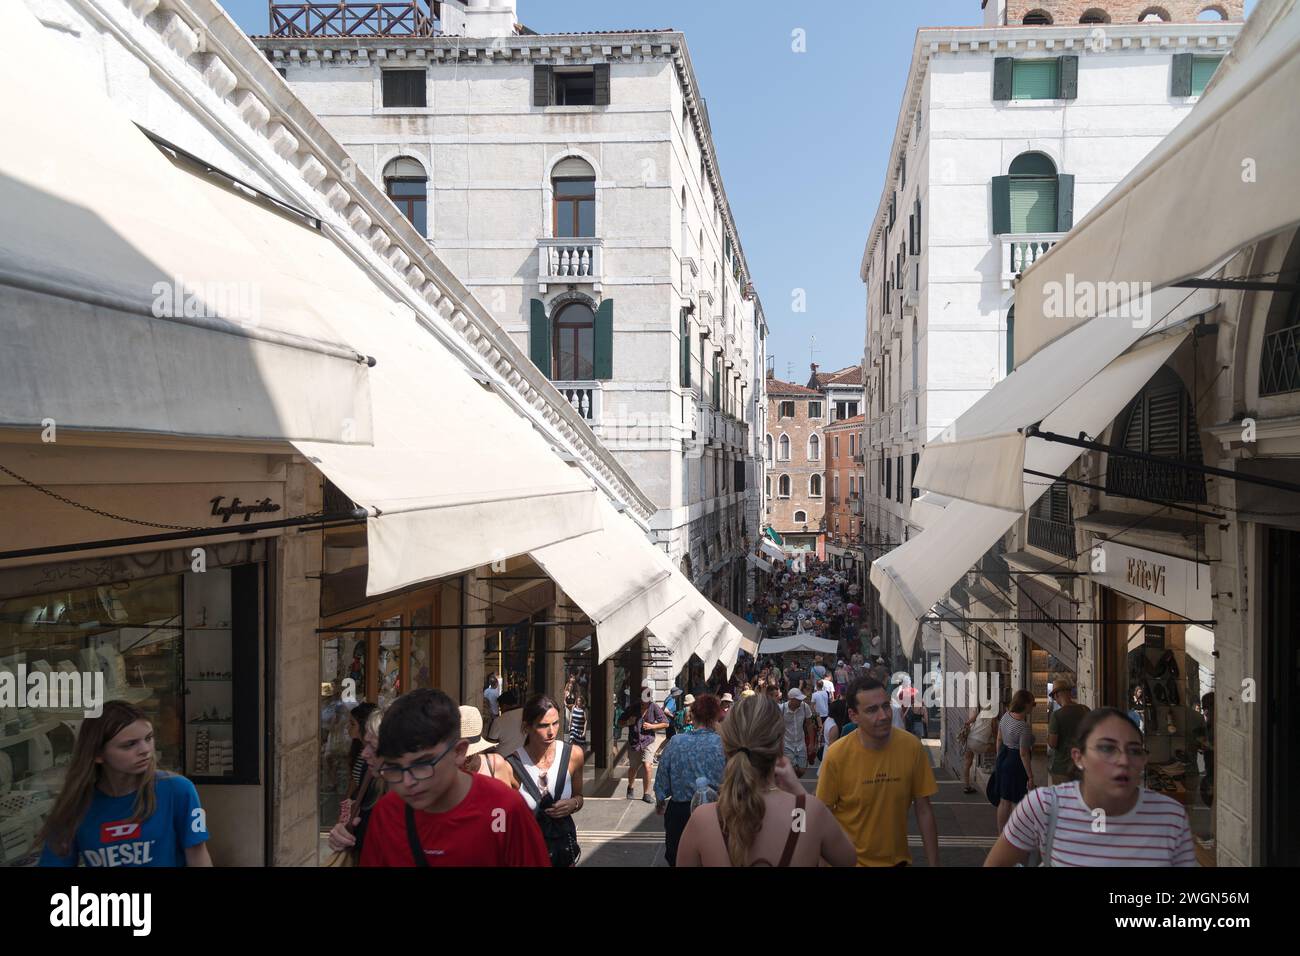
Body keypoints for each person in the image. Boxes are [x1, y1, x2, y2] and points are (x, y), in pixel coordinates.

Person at [984, 708, 1197, 867]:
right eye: (1107, 748)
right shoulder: (1043, 806)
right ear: (1079, 757)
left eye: (1134, 750)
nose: (1123, 760)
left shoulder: (1171, 817)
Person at [359, 688, 549, 866]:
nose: (408, 782)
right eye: (395, 768)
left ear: (459, 752)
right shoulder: (386, 812)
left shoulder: (506, 808)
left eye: (422, 764)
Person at [675, 694, 856, 867]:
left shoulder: (705, 820)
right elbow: (847, 859)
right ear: (780, 744)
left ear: (726, 745)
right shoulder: (803, 814)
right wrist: (799, 793)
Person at [38, 701, 213, 867]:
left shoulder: (178, 790)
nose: (145, 750)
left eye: (148, 738)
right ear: (98, 754)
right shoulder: (74, 806)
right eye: (130, 745)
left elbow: (198, 858)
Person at [816, 676, 939, 867]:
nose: (883, 716)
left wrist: (934, 863)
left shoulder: (911, 747)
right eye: (872, 710)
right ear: (853, 715)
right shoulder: (836, 756)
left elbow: (924, 809)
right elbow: (823, 816)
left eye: (886, 706)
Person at [503, 694, 585, 868]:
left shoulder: (574, 755)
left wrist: (573, 804)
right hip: (527, 853)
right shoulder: (510, 766)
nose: (551, 731)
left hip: (563, 852)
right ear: (527, 727)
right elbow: (503, 820)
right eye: (543, 725)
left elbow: (579, 797)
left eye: (555, 723)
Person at [655, 693, 726, 866]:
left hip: (681, 812)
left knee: (679, 858)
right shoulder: (724, 743)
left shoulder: (677, 741)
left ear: (692, 715)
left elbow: (663, 775)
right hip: (717, 812)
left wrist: (660, 799)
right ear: (716, 716)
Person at [328, 705, 386, 862]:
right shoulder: (373, 777)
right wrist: (344, 833)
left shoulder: (412, 801)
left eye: (373, 747)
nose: (365, 754)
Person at [992, 690, 1036, 833]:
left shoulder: (1005, 717)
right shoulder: (1024, 727)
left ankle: (1001, 834)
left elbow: (999, 739)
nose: (1033, 707)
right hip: (1015, 762)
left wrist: (999, 758)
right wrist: (1030, 776)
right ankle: (1016, 834)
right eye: (1032, 704)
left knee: (1004, 800)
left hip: (1004, 756)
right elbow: (1023, 753)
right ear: (1025, 705)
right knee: (1018, 799)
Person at [625, 682, 670, 802]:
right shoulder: (632, 708)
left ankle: (646, 794)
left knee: (647, 765)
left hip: (648, 741)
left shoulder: (654, 707)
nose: (646, 702)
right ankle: (630, 787)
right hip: (634, 741)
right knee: (633, 767)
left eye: (648, 700)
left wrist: (652, 726)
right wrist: (628, 722)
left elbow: (666, 723)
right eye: (644, 700)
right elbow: (620, 722)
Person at [1046, 677, 1089, 785]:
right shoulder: (1085, 710)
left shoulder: (1057, 715)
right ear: (1069, 693)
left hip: (1062, 768)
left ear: (1056, 695)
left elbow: (1052, 743)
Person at [781, 688, 817, 778]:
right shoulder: (781, 709)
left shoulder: (805, 707)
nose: (800, 702)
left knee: (802, 769)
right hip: (786, 744)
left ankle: (792, 784)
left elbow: (809, 725)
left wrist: (811, 743)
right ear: (791, 699)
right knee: (791, 770)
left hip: (801, 743)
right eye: (798, 700)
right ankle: (792, 787)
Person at [345, 702, 377, 801]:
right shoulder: (358, 748)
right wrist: (347, 801)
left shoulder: (376, 755)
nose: (348, 727)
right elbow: (355, 780)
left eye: (352, 724)